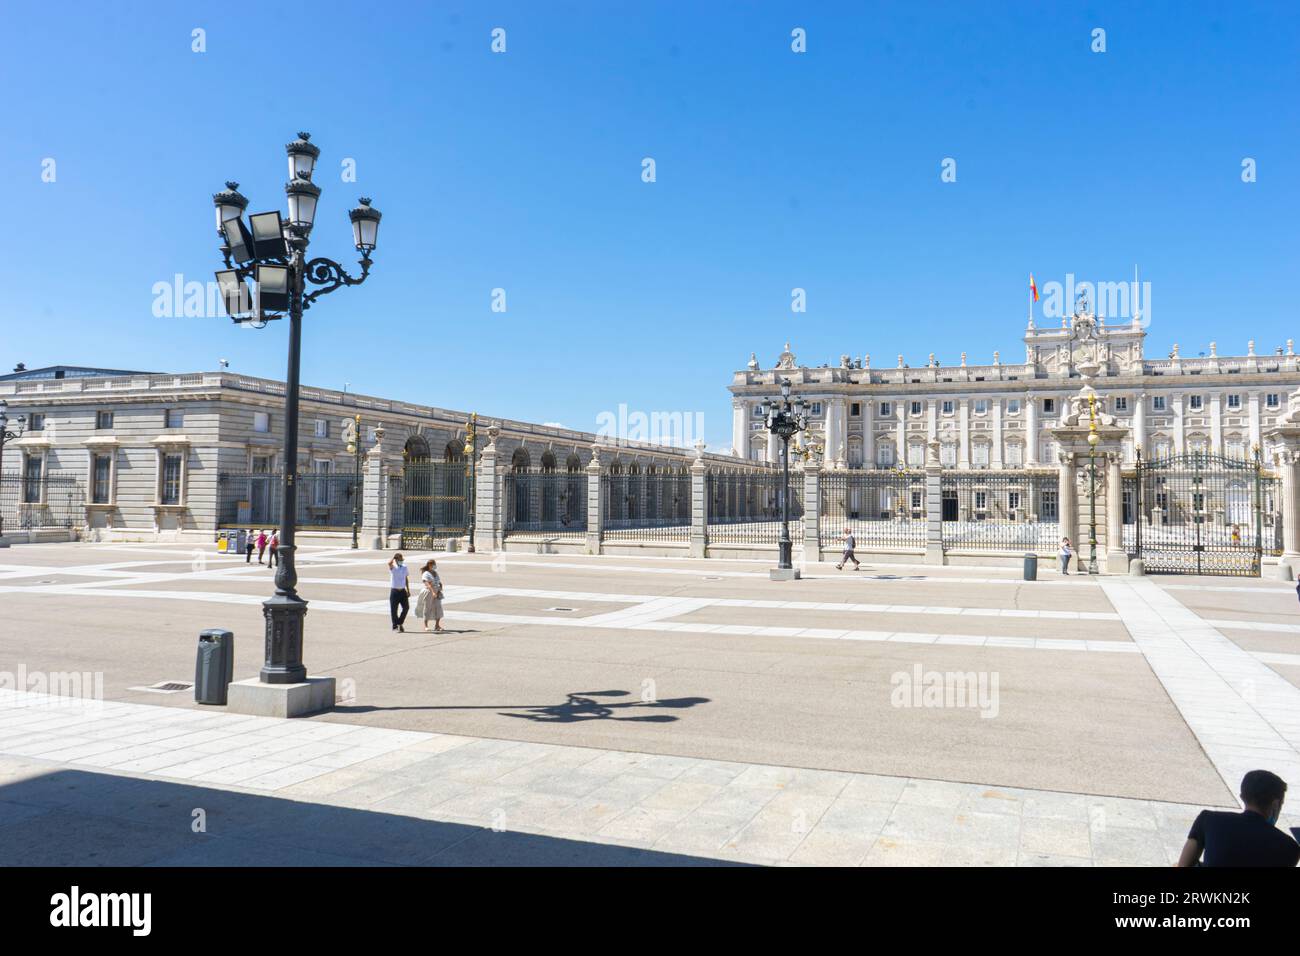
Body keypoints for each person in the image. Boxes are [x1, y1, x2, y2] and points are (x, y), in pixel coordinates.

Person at [1177, 770, 1299, 867]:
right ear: (1275, 804)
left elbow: (1183, 865)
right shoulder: (1289, 847)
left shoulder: (1209, 819)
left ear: (1242, 796)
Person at [416, 559, 445, 632]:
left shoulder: (435, 573)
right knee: (427, 608)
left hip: (437, 591)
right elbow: (427, 584)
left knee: (438, 608)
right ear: (429, 565)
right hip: (429, 592)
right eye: (433, 564)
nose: (435, 566)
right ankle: (426, 625)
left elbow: (438, 581)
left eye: (435, 564)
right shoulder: (426, 573)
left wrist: (440, 587)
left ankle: (437, 625)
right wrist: (433, 592)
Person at [387, 552, 410, 632]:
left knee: (406, 608)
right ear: (396, 560)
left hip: (403, 591)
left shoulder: (405, 567)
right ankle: (395, 625)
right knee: (394, 609)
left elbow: (406, 578)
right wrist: (394, 557)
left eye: (402, 559)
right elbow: (389, 563)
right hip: (394, 591)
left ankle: (400, 622)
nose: (401, 561)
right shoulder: (393, 567)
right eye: (399, 559)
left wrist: (408, 590)